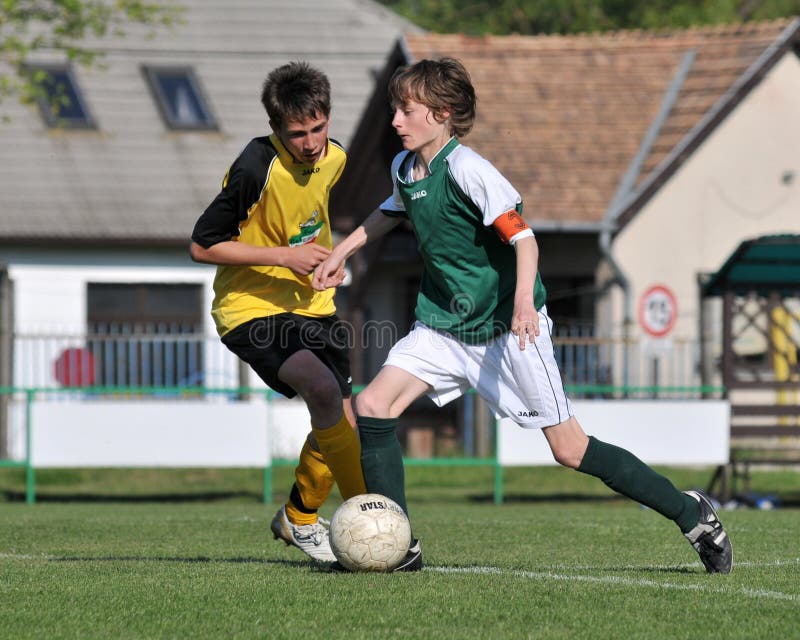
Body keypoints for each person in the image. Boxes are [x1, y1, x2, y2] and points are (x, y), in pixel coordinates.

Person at [313, 57, 733, 574]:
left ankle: (693, 515)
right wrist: (342, 250)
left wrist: (523, 304)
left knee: (570, 449)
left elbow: (524, 239)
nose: (395, 119)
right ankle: (397, 547)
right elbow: (391, 210)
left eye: (406, 109)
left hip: (507, 331)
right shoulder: (405, 168)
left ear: (442, 113)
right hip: (443, 326)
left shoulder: (469, 170)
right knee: (373, 405)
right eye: (395, 108)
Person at [190, 61, 366, 565]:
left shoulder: (335, 159)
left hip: (314, 305)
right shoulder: (254, 167)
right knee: (323, 389)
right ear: (275, 129)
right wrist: (285, 257)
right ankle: (370, 513)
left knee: (341, 418)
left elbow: (309, 225)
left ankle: (298, 517)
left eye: (318, 128)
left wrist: (329, 263)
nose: (311, 142)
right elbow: (203, 246)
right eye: (297, 133)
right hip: (249, 307)